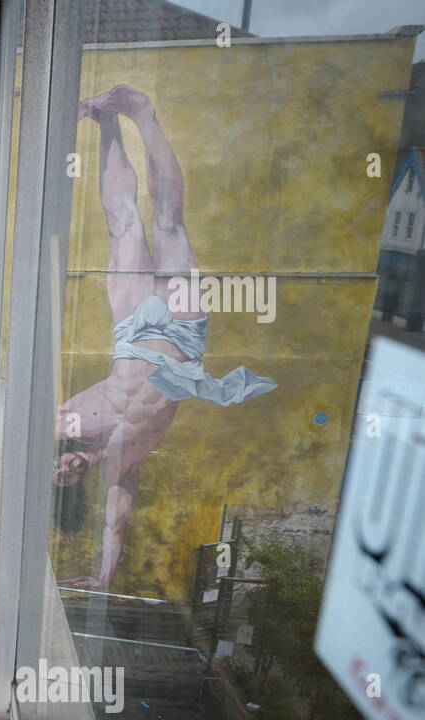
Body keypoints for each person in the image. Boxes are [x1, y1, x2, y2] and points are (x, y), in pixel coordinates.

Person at [56, 85, 276, 588]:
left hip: (131, 329)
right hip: (181, 335)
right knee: (170, 223)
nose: (62, 470)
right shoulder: (118, 465)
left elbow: (10, 441)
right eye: (65, 480)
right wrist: (103, 580)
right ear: (75, 484)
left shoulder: (67, 420)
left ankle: (110, 122)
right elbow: (118, 521)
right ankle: (144, 114)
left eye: (54, 471)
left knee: (124, 226)